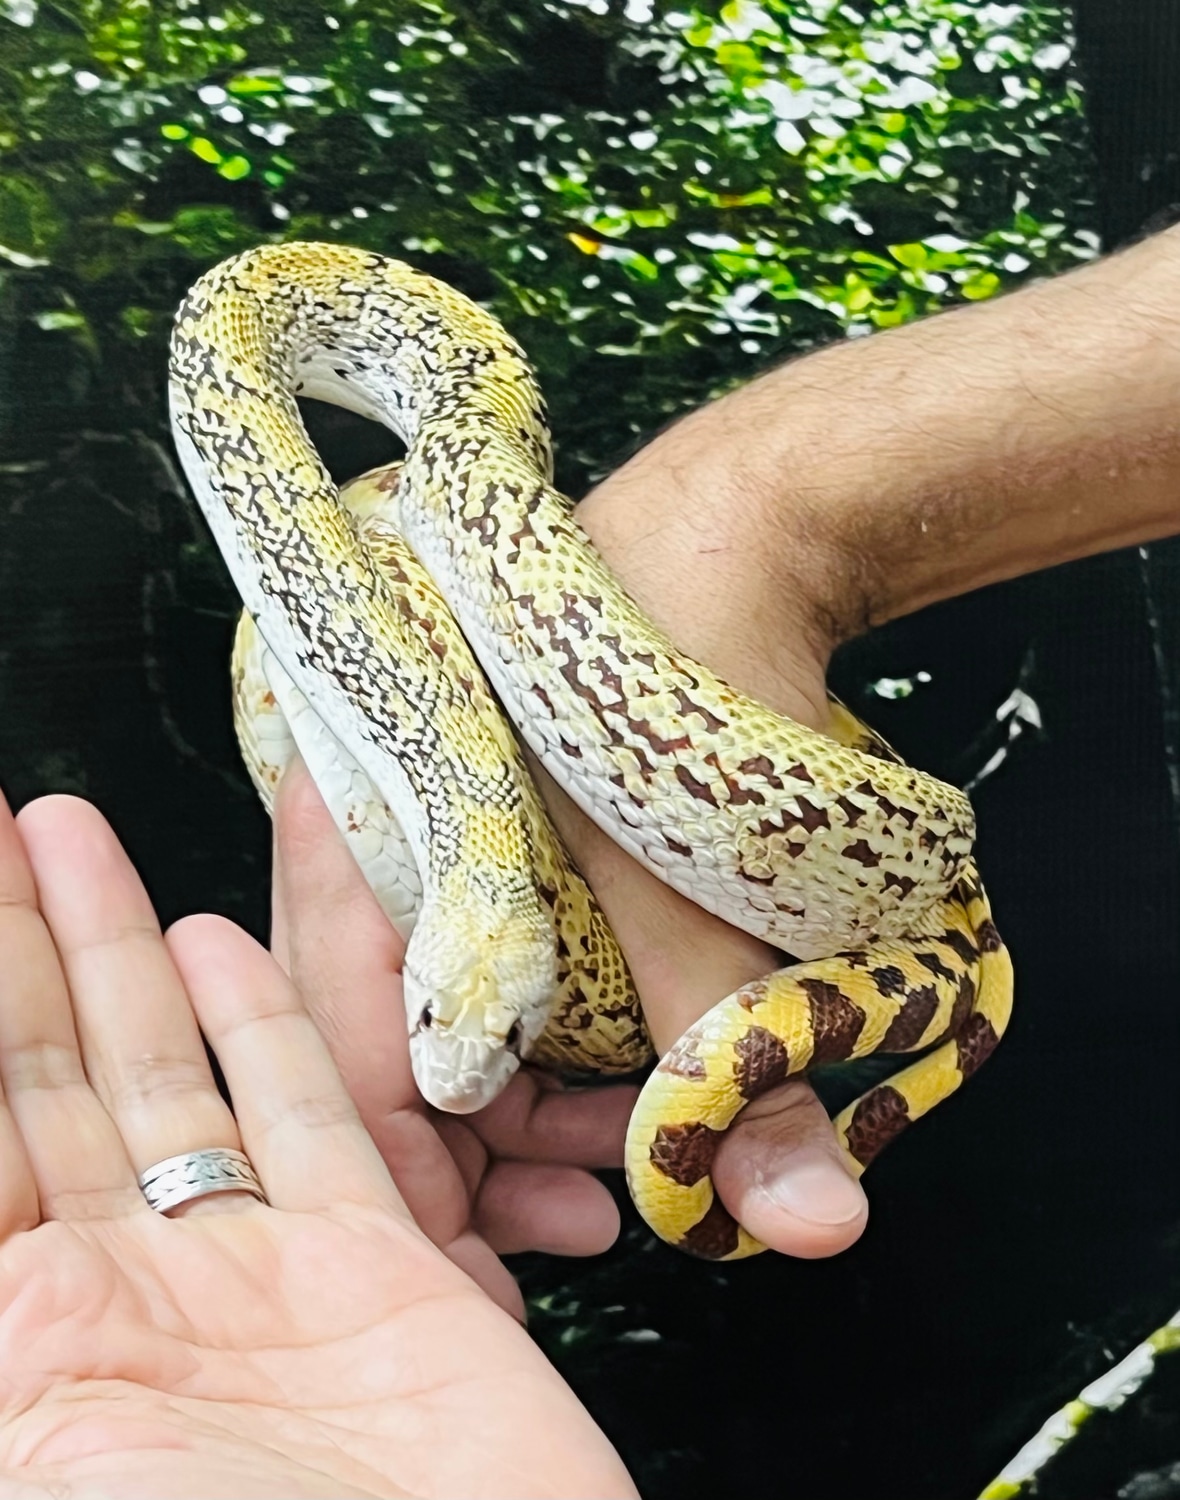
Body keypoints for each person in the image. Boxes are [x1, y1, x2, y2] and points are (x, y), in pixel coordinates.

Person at [0, 220, 1178, 1493]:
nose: (460, 1068)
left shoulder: (457, 579)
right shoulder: (275, 347)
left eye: (489, 1036)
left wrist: (741, 516)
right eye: (478, 1031)